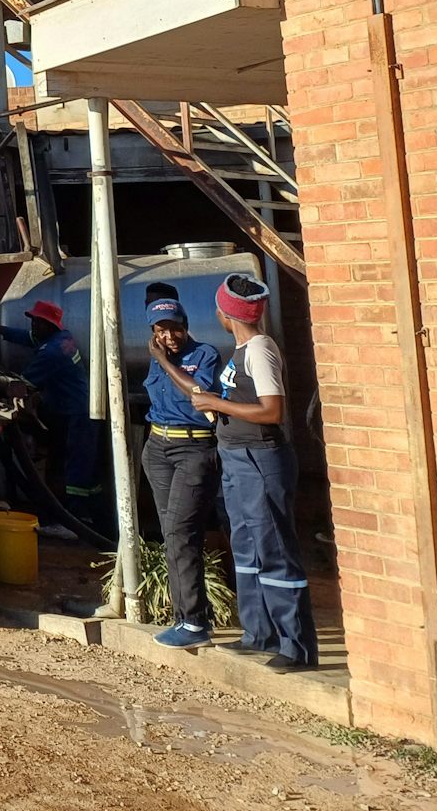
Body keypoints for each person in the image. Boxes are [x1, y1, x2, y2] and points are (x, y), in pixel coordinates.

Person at [188, 273, 318, 669]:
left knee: (274, 549)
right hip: (237, 458)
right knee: (246, 547)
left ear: (225, 313)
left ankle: (296, 646)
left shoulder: (259, 349)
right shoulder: (243, 348)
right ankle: (258, 632)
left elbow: (271, 411)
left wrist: (218, 404)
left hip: (259, 460)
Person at [141, 282, 223, 649]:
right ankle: (183, 615)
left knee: (181, 532)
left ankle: (194, 623)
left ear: (186, 325)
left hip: (193, 450)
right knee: (170, 531)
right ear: (153, 333)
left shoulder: (204, 355)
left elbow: (199, 396)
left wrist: (163, 360)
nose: (170, 336)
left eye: (175, 328)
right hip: (158, 447)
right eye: (161, 330)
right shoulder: (158, 357)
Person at [2, 299, 104, 528]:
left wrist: (0, 382)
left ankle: (75, 522)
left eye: (37, 322)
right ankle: (98, 519)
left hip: (77, 414)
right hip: (77, 410)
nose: (33, 326)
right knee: (84, 465)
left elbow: (23, 384)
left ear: (49, 325)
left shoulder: (52, 352)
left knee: (76, 467)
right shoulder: (61, 338)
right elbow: (26, 337)